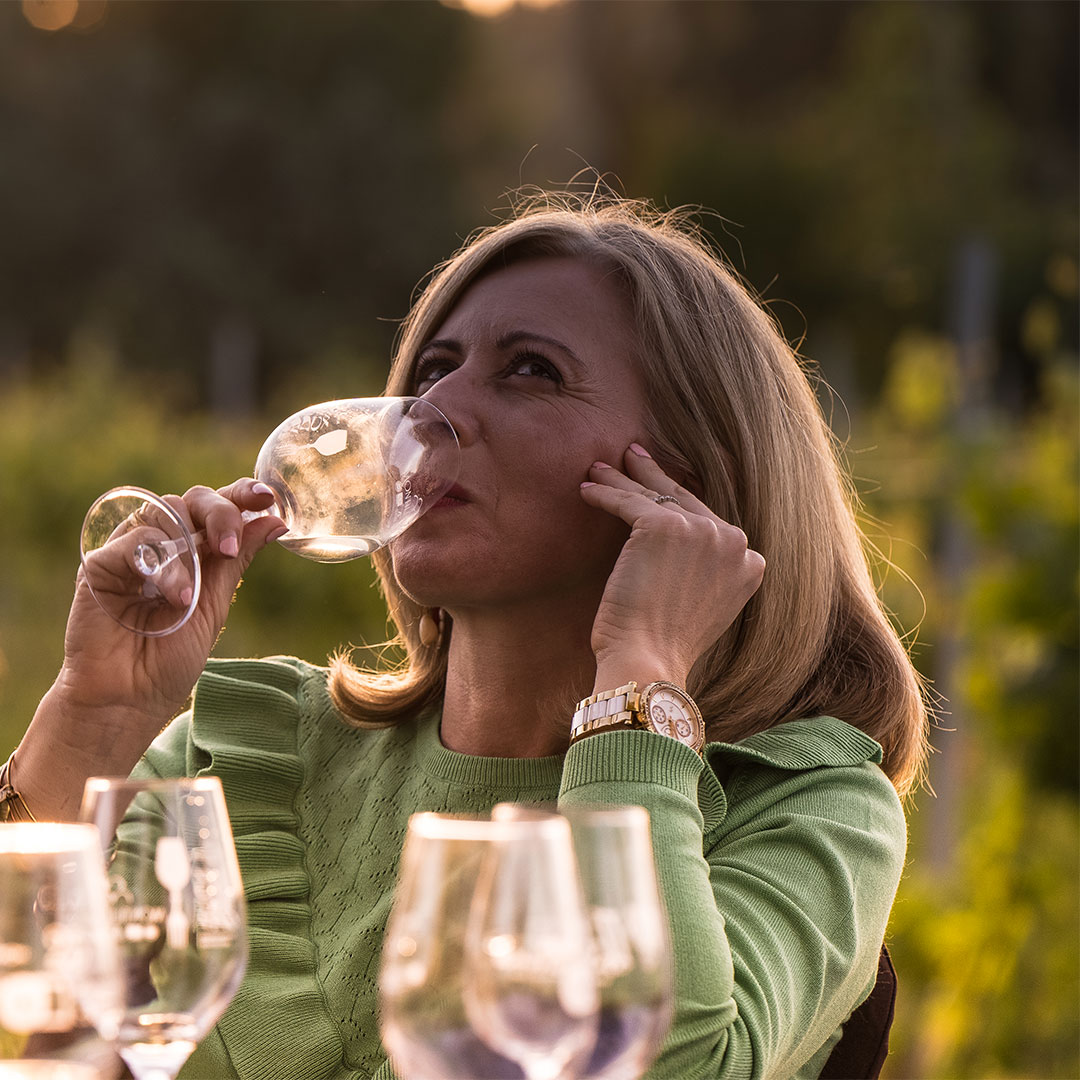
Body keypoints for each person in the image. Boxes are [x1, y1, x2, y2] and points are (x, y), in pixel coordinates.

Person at [5, 190, 929, 1080]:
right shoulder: (247, 747)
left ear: (686, 480)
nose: (434, 414)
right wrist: (97, 713)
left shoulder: (804, 801)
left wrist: (641, 677)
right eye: (433, 368)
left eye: (530, 370)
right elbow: (22, 1016)